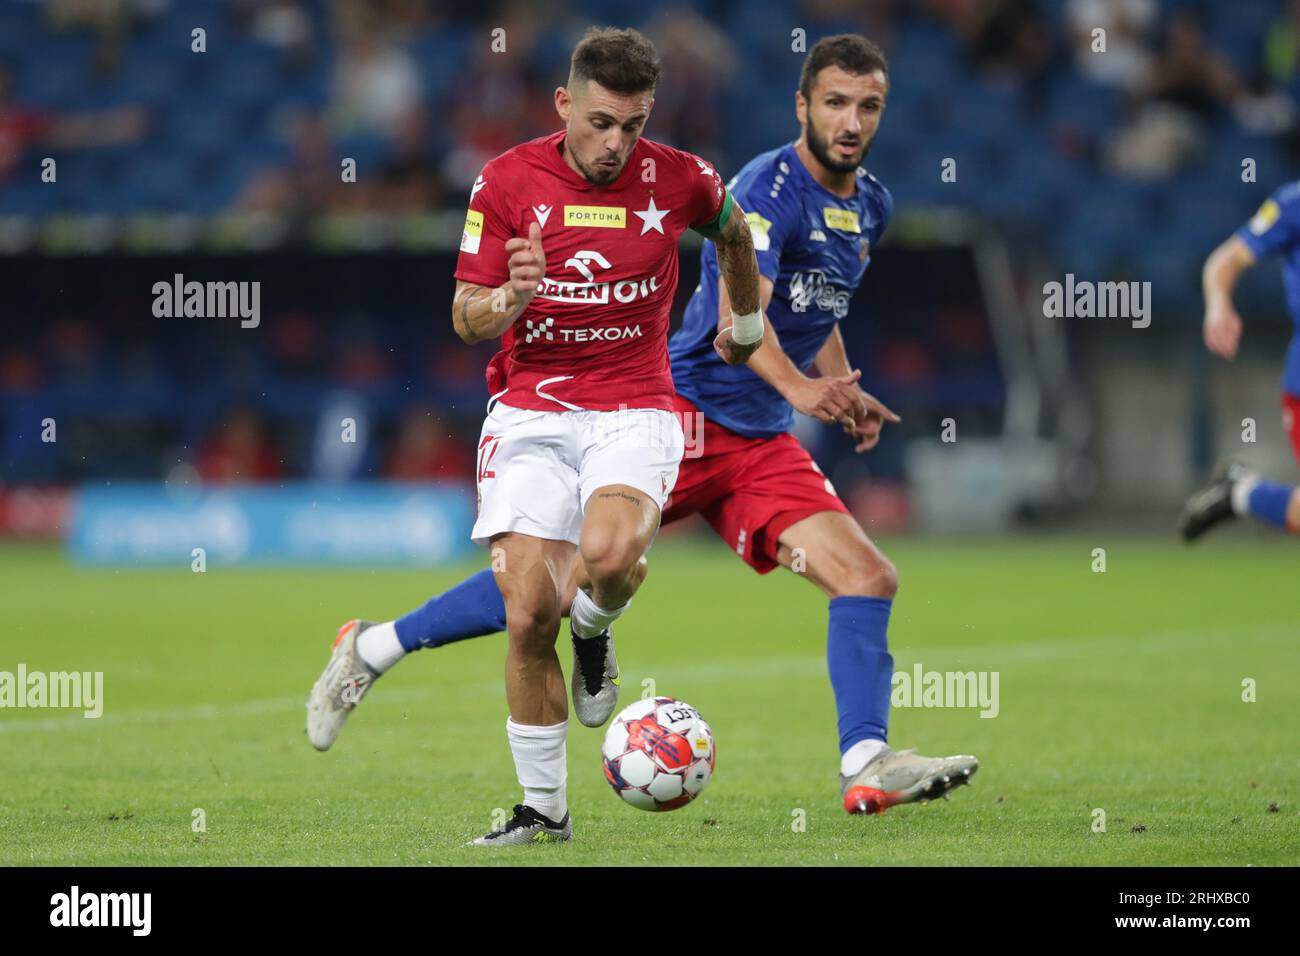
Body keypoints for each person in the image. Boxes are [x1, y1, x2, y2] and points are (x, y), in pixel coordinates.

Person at [308, 33, 980, 827]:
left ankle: (866, 763)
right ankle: (391, 649)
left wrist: (836, 380)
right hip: (688, 413)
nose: (852, 120)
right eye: (836, 102)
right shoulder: (765, 188)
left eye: (869, 106)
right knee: (548, 586)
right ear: (802, 105)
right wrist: (799, 384)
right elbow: (746, 315)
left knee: (867, 576)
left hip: (753, 436)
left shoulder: (869, 205)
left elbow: (810, 306)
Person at [306, 27, 764, 845]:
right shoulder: (506, 181)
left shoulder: (684, 178)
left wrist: (748, 320)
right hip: (532, 410)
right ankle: (543, 810)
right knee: (526, 614)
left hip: (634, 404)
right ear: (563, 104)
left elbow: (733, 234)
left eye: (633, 124)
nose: (616, 143)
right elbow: (463, 317)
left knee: (611, 559)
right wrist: (508, 302)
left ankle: (593, 629)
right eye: (600, 122)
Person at [1180, 183, 1300, 539]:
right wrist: (1218, 304)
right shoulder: (1293, 203)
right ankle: (1244, 494)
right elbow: (1226, 259)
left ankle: (1242, 493)